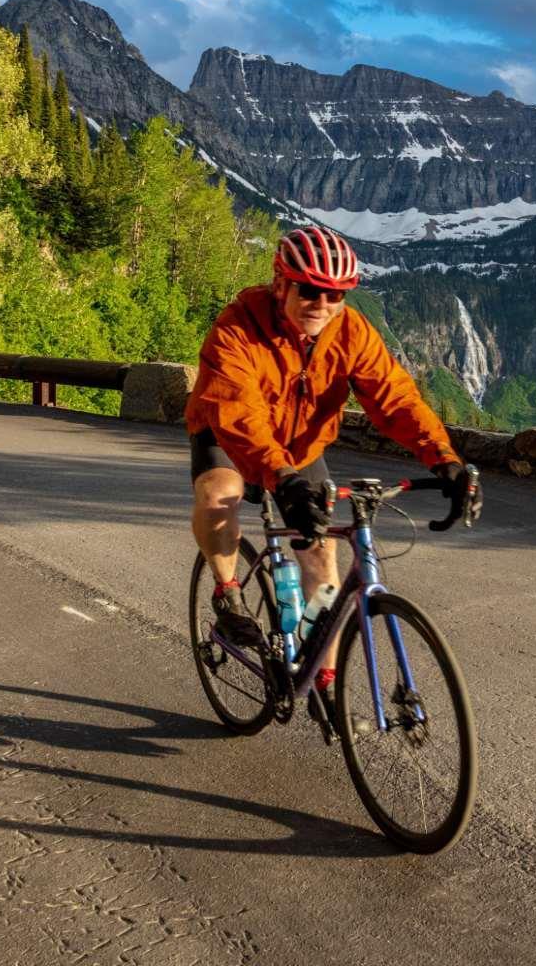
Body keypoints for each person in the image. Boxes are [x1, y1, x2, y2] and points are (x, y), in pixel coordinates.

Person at [185, 225, 477, 700]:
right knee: (221, 494)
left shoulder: (351, 332)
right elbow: (238, 410)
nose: (322, 303)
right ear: (281, 284)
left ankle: (325, 675)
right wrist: (281, 478)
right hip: (228, 432)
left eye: (336, 294)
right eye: (311, 290)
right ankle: (228, 591)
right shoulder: (237, 327)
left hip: (301, 447)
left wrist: (443, 458)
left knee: (323, 557)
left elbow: (394, 399)